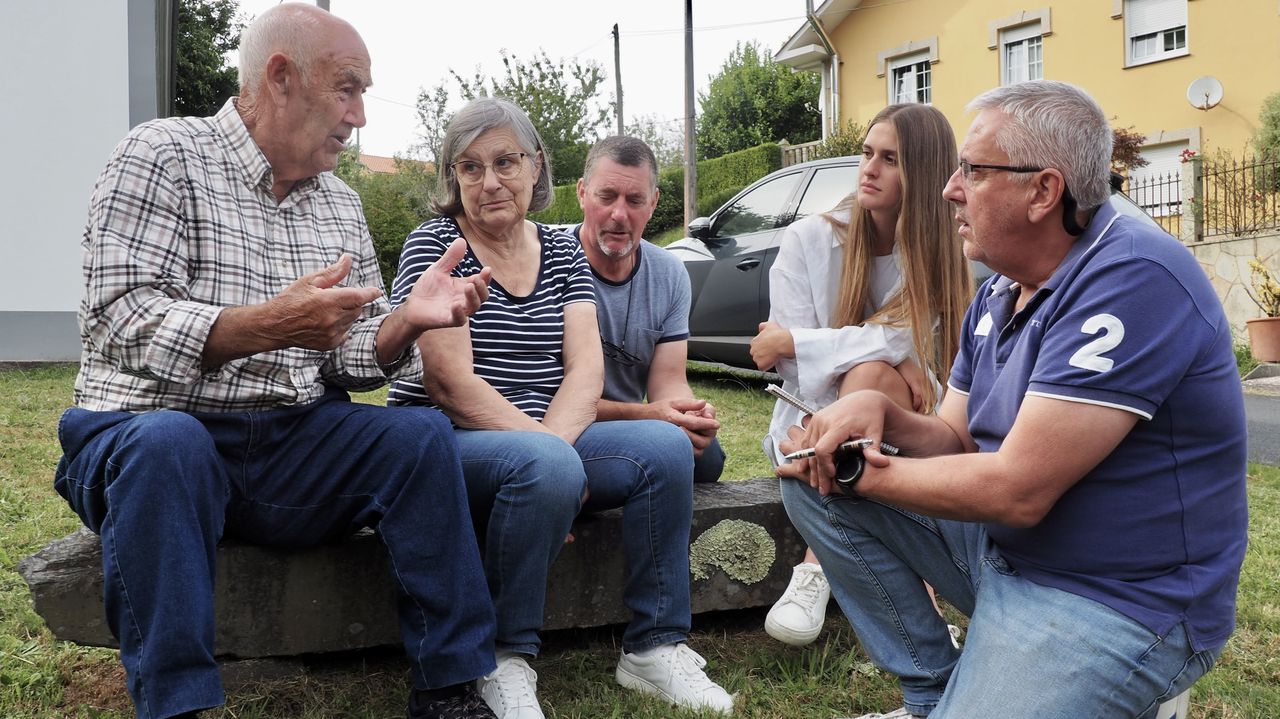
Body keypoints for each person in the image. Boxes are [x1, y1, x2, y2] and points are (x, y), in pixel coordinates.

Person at [52, 6, 502, 719]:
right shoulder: (161, 153)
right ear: (282, 77)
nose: (359, 115)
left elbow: (351, 358)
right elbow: (117, 317)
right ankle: (178, 704)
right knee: (172, 444)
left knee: (416, 438)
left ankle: (451, 685)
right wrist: (267, 324)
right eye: (348, 88)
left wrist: (404, 323)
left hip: (289, 444)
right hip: (147, 433)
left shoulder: (341, 203)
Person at [783, 80, 1248, 719]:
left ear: (1043, 191)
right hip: (1009, 557)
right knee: (809, 484)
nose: (948, 189)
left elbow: (1017, 490)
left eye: (971, 171)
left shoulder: (1135, 279)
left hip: (1115, 599)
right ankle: (931, 693)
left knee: (838, 479)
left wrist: (861, 472)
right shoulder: (1003, 289)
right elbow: (958, 440)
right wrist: (884, 417)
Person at [387, 98, 733, 719]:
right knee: (546, 468)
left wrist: (553, 450)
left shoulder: (559, 250)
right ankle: (505, 655)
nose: (490, 181)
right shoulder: (435, 245)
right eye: (469, 167)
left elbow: (585, 369)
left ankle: (653, 646)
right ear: (453, 179)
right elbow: (451, 385)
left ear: (536, 167)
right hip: (451, 441)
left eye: (505, 161)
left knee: (666, 449)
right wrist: (552, 458)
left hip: (546, 435)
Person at [751, 104, 970, 647]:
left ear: (920, 173)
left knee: (881, 370)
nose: (868, 168)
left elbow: (794, 344)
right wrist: (889, 354)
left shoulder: (936, 251)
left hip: (900, 420)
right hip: (807, 415)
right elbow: (792, 368)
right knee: (880, 366)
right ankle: (907, 587)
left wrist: (799, 339)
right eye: (868, 153)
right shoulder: (808, 240)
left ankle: (816, 566)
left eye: (890, 159)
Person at [571, 135, 725, 484]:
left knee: (707, 457)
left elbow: (669, 380)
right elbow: (547, 393)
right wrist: (648, 416)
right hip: (566, 423)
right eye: (606, 196)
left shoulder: (669, 274)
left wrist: (687, 412)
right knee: (667, 450)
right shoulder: (550, 261)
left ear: (653, 202)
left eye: (635, 200)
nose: (619, 214)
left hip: (639, 422)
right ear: (582, 193)